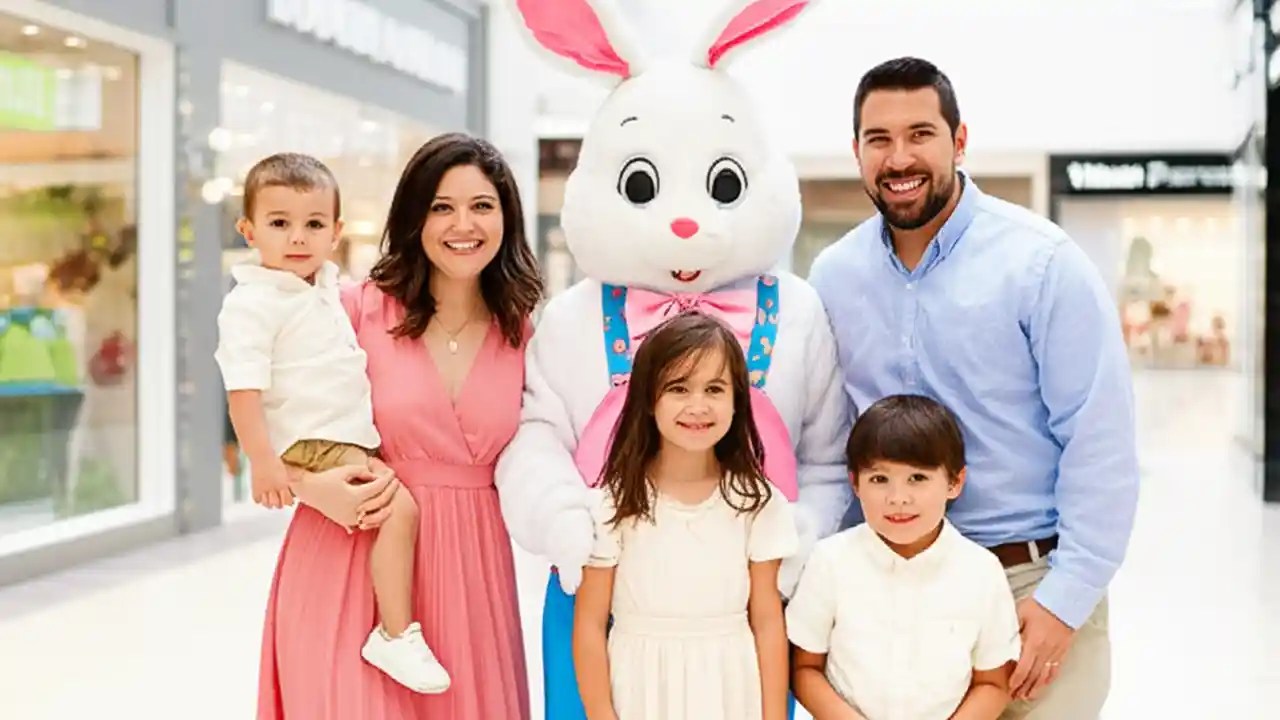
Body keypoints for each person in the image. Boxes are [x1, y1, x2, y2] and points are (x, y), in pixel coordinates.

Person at [807, 57, 1140, 719]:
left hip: (1027, 582)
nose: (899, 157)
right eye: (879, 140)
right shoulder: (834, 276)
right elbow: (828, 435)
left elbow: (1100, 447)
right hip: (883, 588)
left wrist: (1064, 600)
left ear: (959, 141)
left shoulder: (1042, 265)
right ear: (857, 152)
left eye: (920, 134)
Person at [254, 133, 542, 719]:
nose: (463, 223)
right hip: (347, 547)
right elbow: (266, 412)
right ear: (415, 218)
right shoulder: (356, 308)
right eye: (441, 206)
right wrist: (312, 488)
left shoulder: (524, 333)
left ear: (507, 218)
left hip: (471, 573)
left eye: (482, 206)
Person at [216, 153, 448, 694]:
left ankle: (394, 629)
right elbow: (242, 392)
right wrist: (264, 464)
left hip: (341, 440)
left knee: (393, 512)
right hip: (313, 443)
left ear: (336, 231)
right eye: (279, 224)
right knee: (400, 512)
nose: (298, 237)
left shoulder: (323, 287)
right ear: (248, 230)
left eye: (314, 224)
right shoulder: (253, 302)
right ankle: (395, 633)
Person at [572, 311, 796, 720]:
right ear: (647, 399)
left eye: (714, 388)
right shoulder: (612, 504)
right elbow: (589, 623)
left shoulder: (757, 502)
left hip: (730, 688)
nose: (698, 405)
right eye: (679, 388)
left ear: (737, 401)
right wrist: (602, 714)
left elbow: (767, 621)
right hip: (640, 688)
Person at [787, 394, 1021, 720]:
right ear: (855, 483)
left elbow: (993, 683)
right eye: (879, 479)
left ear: (955, 482)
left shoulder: (982, 571)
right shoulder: (830, 561)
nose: (898, 499)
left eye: (918, 478)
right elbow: (805, 668)